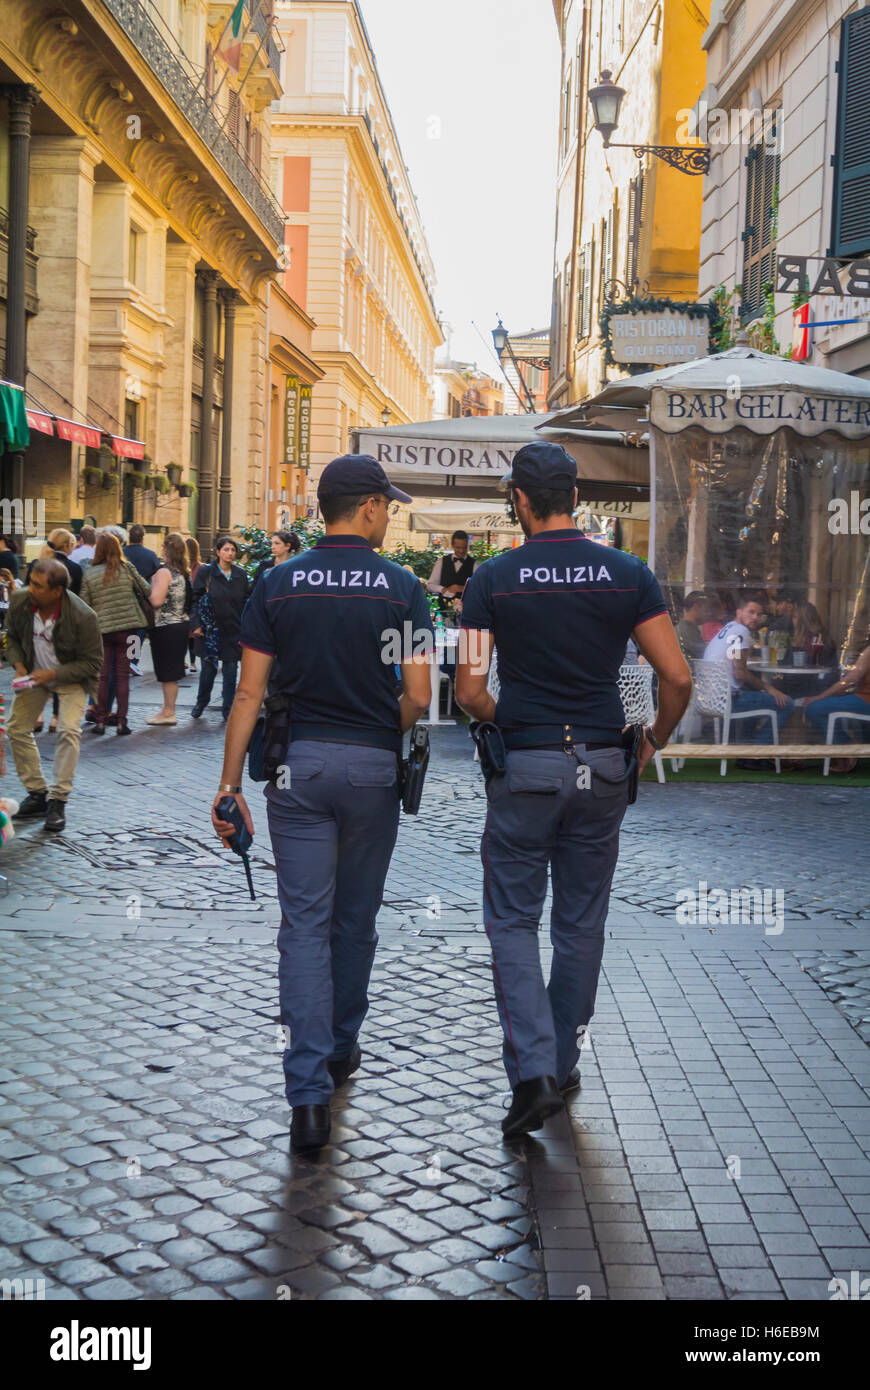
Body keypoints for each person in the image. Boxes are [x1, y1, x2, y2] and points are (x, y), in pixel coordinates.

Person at [455, 442, 692, 1139]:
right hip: (604, 764)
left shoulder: (492, 579)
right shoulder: (627, 574)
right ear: (575, 498)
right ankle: (557, 1065)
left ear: (521, 502)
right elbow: (676, 679)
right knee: (580, 924)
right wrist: (652, 741)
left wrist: (517, 719)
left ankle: (532, 1071)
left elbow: (469, 690)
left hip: (527, 763)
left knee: (511, 921)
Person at [211, 454, 432, 1154]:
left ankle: (307, 1096)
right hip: (370, 768)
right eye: (387, 506)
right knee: (355, 922)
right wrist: (375, 734)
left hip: (295, 770)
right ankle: (341, 1048)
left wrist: (227, 785)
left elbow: (248, 693)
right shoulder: (403, 588)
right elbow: (421, 697)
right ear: (366, 507)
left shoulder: (277, 583)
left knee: (303, 926)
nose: (390, 516)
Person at [6, 558, 103, 831]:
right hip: (33, 675)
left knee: (69, 731)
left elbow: (93, 663)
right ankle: (37, 793)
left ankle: (58, 799)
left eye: (38, 585)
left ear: (57, 591)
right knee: (16, 728)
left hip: (70, 678)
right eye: (30, 582)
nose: (31, 588)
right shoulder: (21, 600)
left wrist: (53, 675)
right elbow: (11, 637)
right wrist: (19, 666)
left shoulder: (84, 616)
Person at [702, 589, 794, 768]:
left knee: (752, 697)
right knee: (787, 703)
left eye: (759, 614)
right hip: (726, 700)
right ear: (739, 612)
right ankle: (755, 754)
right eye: (751, 612)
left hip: (710, 698)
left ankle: (746, 751)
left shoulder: (728, 627)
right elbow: (740, 673)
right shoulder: (740, 632)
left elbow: (738, 669)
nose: (755, 617)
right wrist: (770, 688)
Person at [80, 532, 153, 736]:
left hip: (102, 631)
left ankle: (101, 722)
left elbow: (83, 605)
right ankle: (122, 722)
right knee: (122, 676)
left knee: (103, 676)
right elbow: (147, 590)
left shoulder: (90, 573)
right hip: (130, 630)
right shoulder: (127, 568)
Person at [190, 536, 251, 720]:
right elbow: (195, 600)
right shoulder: (206, 573)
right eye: (226, 549)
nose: (230, 553)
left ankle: (228, 709)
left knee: (231, 672)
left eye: (233, 550)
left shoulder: (240, 575)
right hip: (210, 630)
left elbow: (246, 602)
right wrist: (196, 624)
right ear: (218, 552)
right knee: (208, 670)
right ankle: (201, 702)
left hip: (233, 630)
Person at [803, 639, 870, 773]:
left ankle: (847, 746)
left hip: (865, 700)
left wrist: (820, 696)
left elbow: (851, 678)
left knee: (814, 708)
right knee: (824, 706)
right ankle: (845, 748)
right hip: (862, 698)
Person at [146, 533, 192, 726]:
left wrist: (144, 594)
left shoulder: (165, 573)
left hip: (166, 627)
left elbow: (156, 600)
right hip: (180, 625)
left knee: (167, 671)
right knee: (171, 671)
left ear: (165, 549)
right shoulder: (182, 573)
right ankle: (167, 709)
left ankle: (169, 712)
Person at [123, 523, 162, 677]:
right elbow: (156, 576)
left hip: (124, 596)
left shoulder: (122, 552)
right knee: (137, 630)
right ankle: (133, 661)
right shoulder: (151, 555)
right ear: (142, 538)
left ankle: (124, 659)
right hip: (142, 599)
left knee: (125, 630)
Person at [426, 530, 477, 609]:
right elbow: (430, 585)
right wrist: (443, 589)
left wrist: (462, 588)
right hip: (444, 610)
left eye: (464, 547)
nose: (461, 551)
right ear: (452, 545)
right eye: (458, 547)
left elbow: (479, 588)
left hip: (467, 610)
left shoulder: (475, 564)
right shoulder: (441, 561)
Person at [27, 529, 82, 596]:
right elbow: (76, 596)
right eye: (72, 544)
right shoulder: (75, 568)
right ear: (66, 546)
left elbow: (27, 589)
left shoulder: (35, 563)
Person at [185, 536, 202, 673]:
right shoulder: (201, 568)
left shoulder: (183, 567)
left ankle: (184, 661)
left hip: (185, 604)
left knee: (185, 636)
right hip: (196, 605)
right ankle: (192, 663)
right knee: (192, 637)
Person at [676, 591, 709, 659]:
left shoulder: (686, 627)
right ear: (696, 607)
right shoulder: (687, 630)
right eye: (706, 609)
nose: (708, 613)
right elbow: (706, 654)